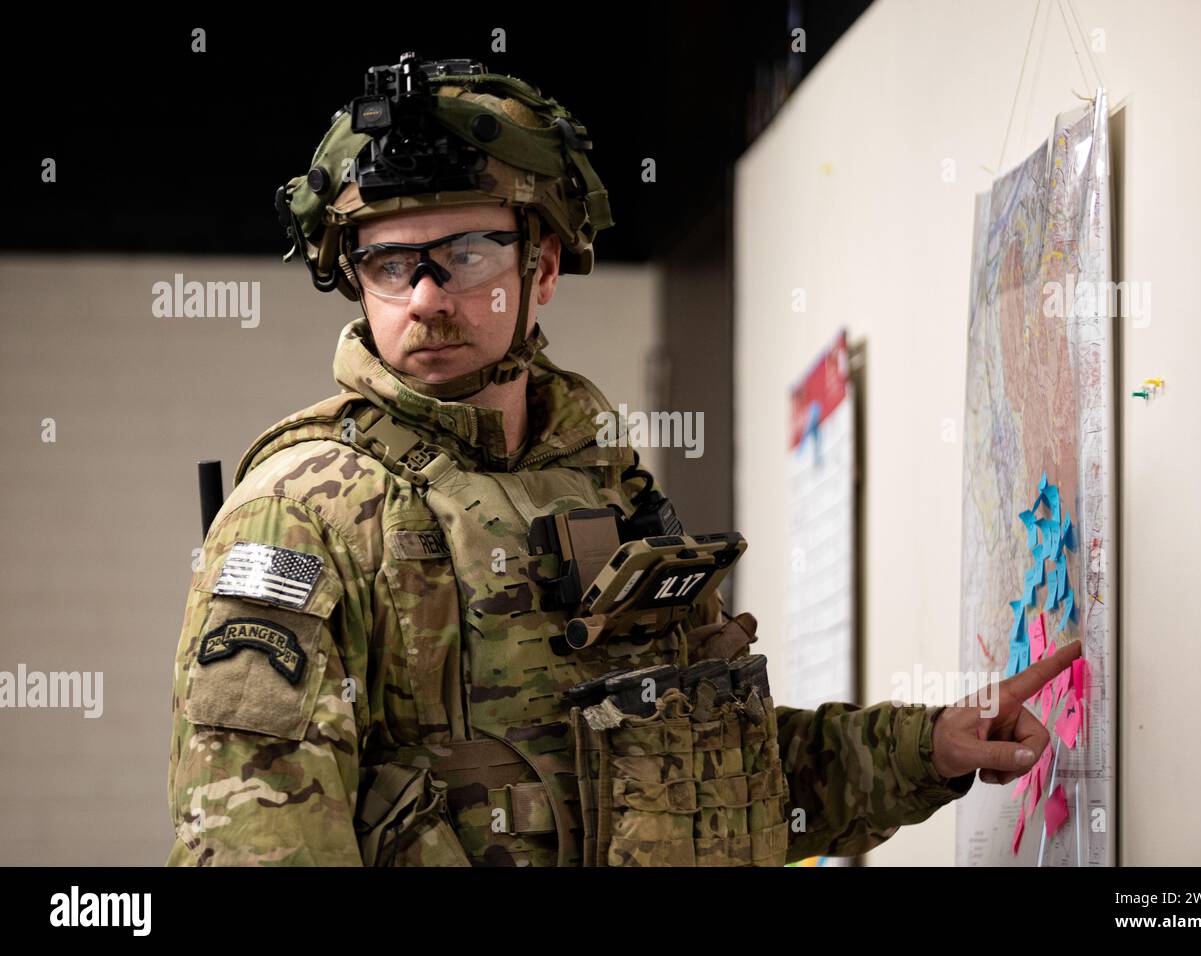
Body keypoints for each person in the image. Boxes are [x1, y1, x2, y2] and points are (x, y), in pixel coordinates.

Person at [166, 55, 1078, 866]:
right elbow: (256, 840)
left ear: (545, 265)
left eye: (469, 253)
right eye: (389, 263)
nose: (428, 295)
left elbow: (722, 784)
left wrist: (931, 748)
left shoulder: (603, 485)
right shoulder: (302, 509)